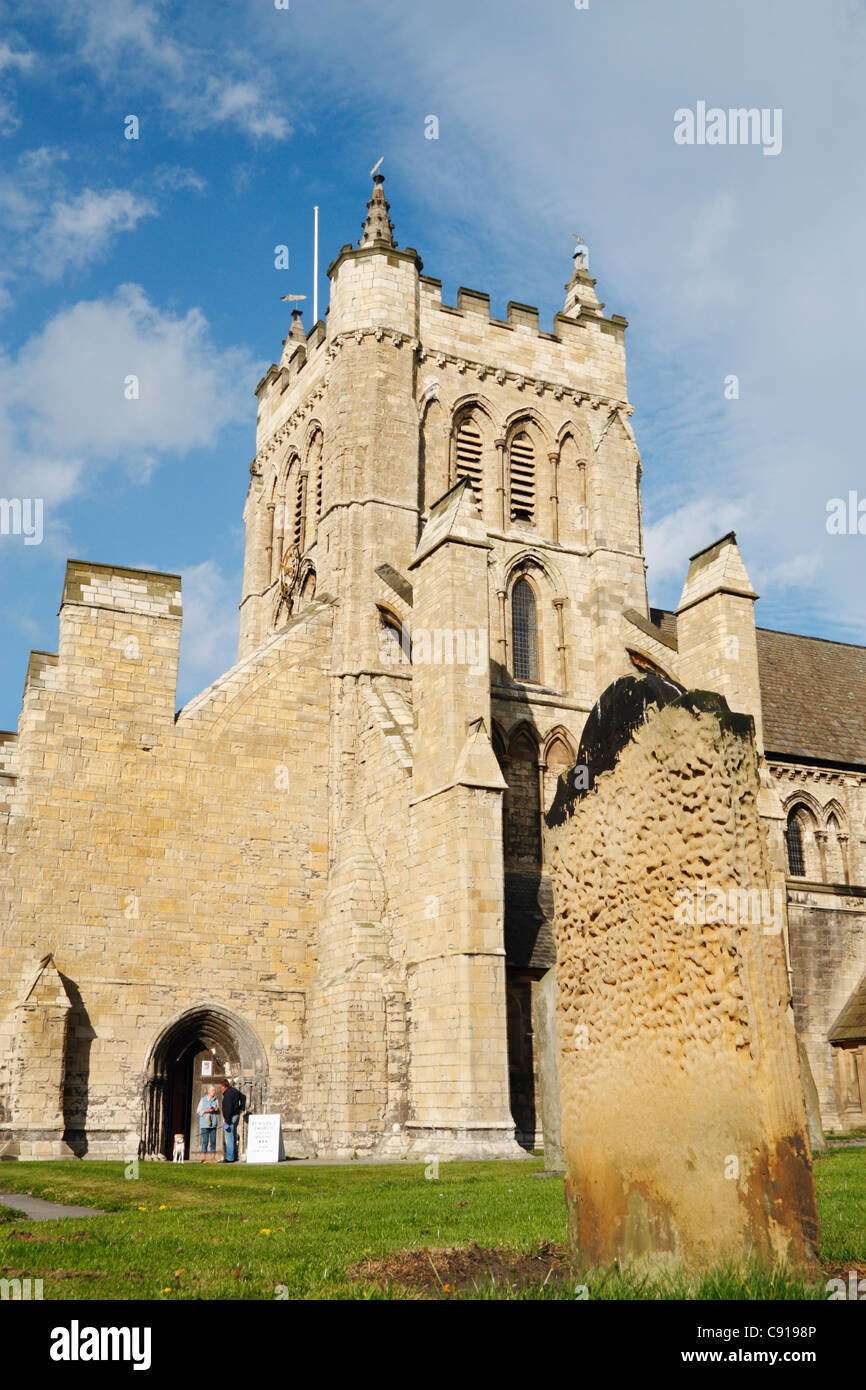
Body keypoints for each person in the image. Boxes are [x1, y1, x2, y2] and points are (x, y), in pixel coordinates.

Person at [219, 1080, 245, 1162]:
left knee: (229, 1137)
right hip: (236, 1116)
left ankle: (230, 1158)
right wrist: (242, 1108)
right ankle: (235, 1156)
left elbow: (228, 1108)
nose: (220, 1088)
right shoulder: (234, 1090)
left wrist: (227, 1120)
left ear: (224, 1086)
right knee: (233, 1136)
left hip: (231, 1117)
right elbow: (243, 1097)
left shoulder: (227, 1094)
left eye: (221, 1087)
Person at [197, 1084, 220, 1164]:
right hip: (204, 1123)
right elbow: (199, 1111)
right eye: (213, 1090)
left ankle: (213, 1158)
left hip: (213, 1123)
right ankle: (203, 1158)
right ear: (208, 1091)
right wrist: (207, 1111)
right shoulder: (203, 1100)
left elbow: (218, 1110)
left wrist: (216, 1109)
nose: (214, 1092)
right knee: (205, 1141)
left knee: (213, 1141)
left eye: (214, 1090)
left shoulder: (215, 1100)